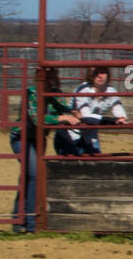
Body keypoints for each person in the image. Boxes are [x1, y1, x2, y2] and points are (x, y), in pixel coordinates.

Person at [9, 67, 81, 233]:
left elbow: (63, 108)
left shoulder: (53, 93)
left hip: (38, 139)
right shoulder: (31, 93)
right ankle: (30, 221)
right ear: (39, 78)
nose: (51, 81)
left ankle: (19, 219)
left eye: (53, 77)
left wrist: (73, 113)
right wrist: (62, 117)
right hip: (22, 136)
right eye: (47, 78)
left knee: (29, 176)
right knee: (34, 174)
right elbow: (36, 118)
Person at [71, 66, 127, 155]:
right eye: (96, 73)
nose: (100, 76)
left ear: (108, 75)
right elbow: (86, 115)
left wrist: (121, 117)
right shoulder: (83, 90)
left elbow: (117, 106)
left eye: (103, 72)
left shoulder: (110, 90)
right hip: (73, 134)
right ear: (91, 75)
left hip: (91, 132)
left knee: (96, 160)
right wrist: (111, 120)